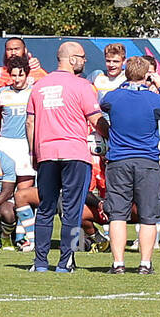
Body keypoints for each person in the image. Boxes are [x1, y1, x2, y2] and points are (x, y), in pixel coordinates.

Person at [26, 41, 103, 273]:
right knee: (72, 209)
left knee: (46, 208)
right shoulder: (82, 86)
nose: (84, 60)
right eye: (81, 56)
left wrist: (33, 152)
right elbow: (96, 119)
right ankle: (65, 262)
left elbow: (30, 122)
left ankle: (40, 263)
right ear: (71, 59)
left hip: (47, 154)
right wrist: (110, 138)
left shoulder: (39, 86)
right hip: (75, 154)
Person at [100, 55, 160, 274]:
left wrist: (127, 83)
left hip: (119, 161)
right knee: (148, 214)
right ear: (148, 75)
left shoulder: (114, 97)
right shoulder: (153, 99)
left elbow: (103, 103)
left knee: (117, 213)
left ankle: (118, 263)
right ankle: (145, 263)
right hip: (146, 161)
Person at [0, 56, 37, 251]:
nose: (17, 79)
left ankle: (22, 236)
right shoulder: (2, 92)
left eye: (21, 75)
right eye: (13, 75)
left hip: (26, 148)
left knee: (23, 194)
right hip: (5, 146)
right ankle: (6, 234)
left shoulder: (34, 92)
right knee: (7, 194)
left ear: (27, 74)